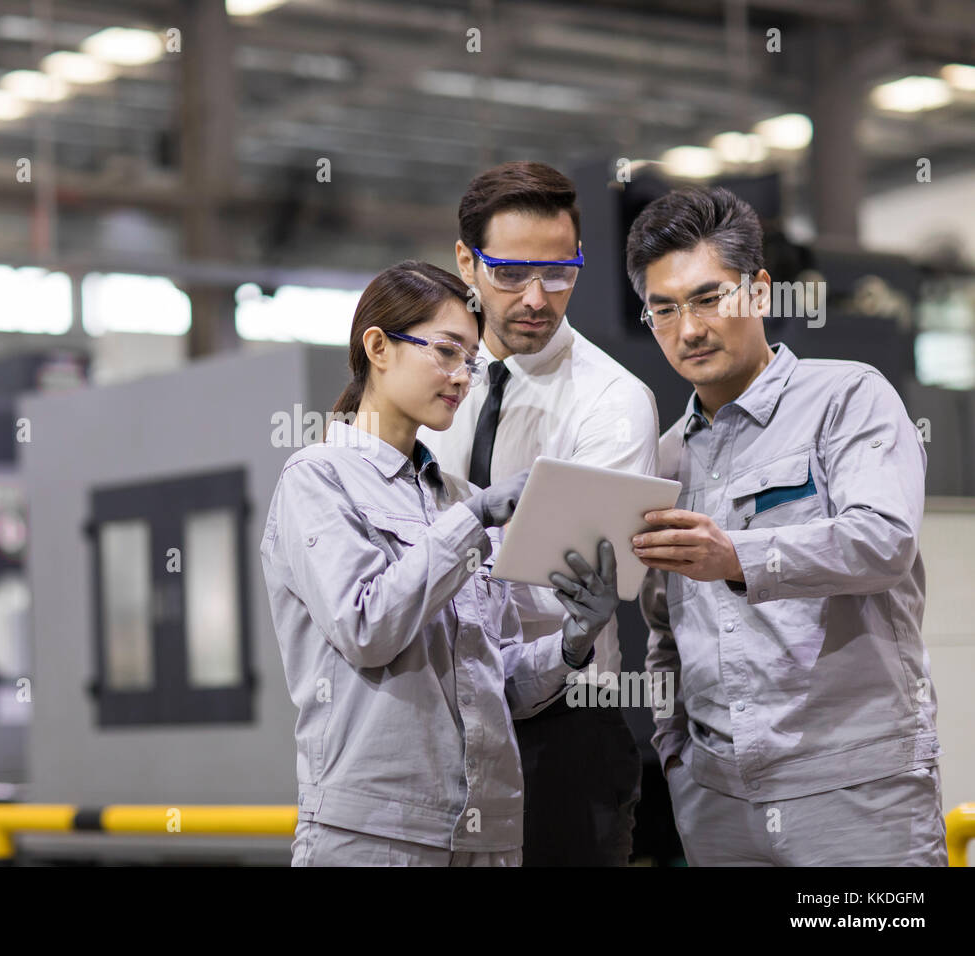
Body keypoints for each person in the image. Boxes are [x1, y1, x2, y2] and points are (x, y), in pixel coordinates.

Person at [627, 185, 947, 866]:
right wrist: (675, 750)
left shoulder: (848, 399)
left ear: (761, 291)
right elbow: (665, 630)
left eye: (709, 298)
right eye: (664, 308)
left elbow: (882, 540)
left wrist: (735, 556)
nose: (688, 329)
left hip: (854, 787)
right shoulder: (665, 458)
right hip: (715, 797)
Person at [260, 260, 619, 866]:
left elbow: (496, 678)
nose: (461, 378)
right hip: (377, 834)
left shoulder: (454, 497)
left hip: (490, 833)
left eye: (471, 362)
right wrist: (474, 520)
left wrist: (572, 643)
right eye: (447, 352)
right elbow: (367, 629)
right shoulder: (317, 479)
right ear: (377, 346)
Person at [417, 161, 658, 865]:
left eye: (560, 273)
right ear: (466, 259)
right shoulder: (425, 394)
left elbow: (569, 578)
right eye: (511, 272)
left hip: (564, 725)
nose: (537, 298)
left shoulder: (611, 403)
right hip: (441, 713)